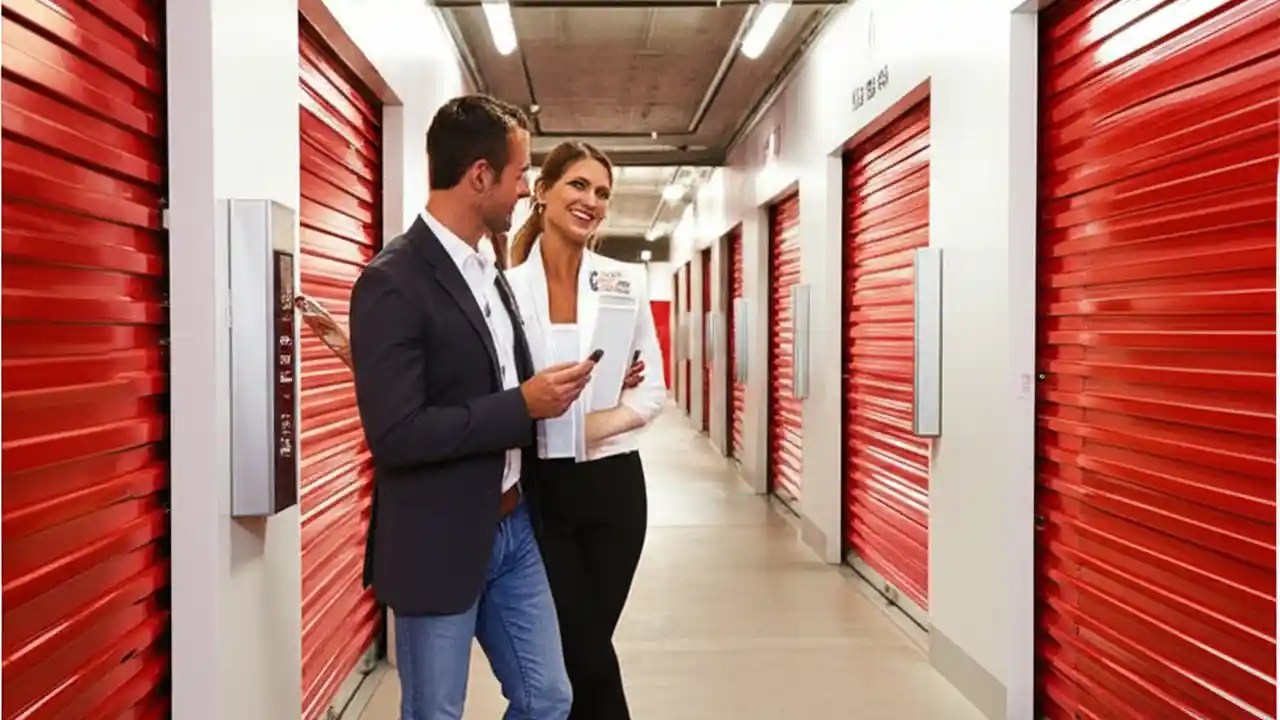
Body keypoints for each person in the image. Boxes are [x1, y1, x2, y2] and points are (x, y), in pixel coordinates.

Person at [346, 94, 592, 720]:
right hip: (438, 540)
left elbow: (488, 371)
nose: (525, 192)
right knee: (436, 714)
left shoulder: (487, 266)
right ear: (480, 176)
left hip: (512, 528)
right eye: (518, 177)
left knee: (547, 699)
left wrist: (566, 384)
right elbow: (397, 434)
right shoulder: (392, 280)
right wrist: (521, 406)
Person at [504, 140, 667, 720]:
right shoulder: (505, 292)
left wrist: (575, 425)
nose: (591, 200)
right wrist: (556, 420)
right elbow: (502, 396)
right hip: (543, 497)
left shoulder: (625, 281)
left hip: (616, 493)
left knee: (585, 651)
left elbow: (652, 394)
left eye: (602, 192)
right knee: (582, 656)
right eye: (578, 185)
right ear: (542, 191)